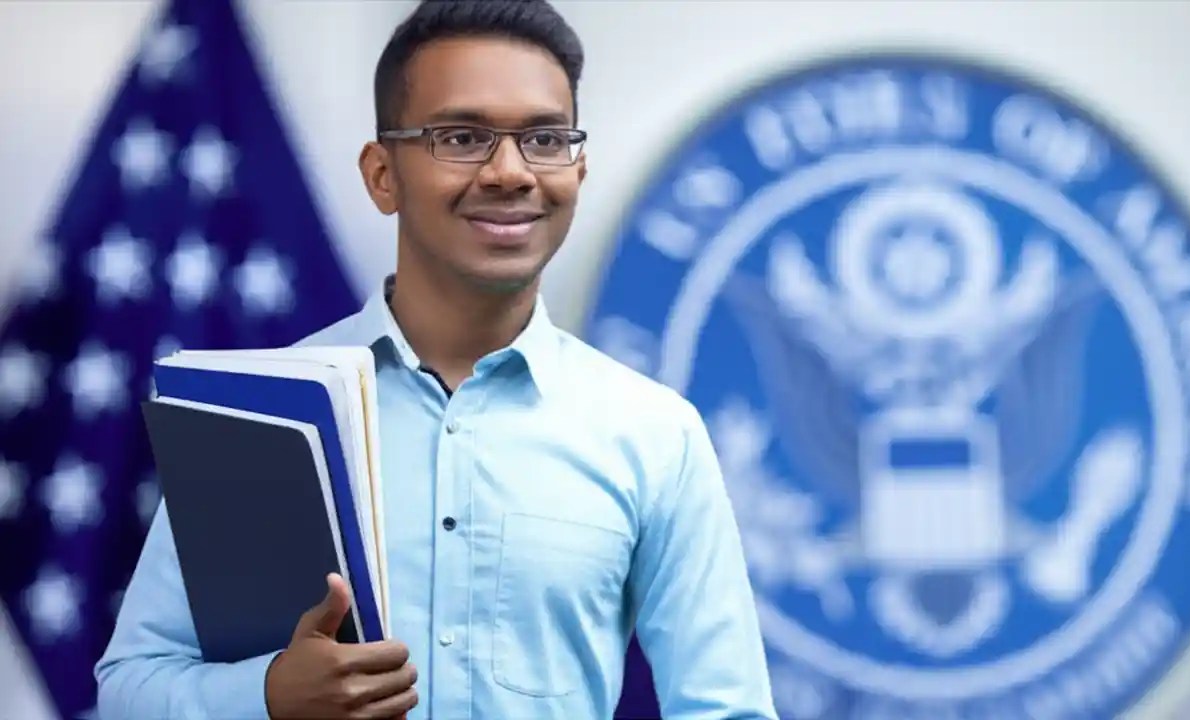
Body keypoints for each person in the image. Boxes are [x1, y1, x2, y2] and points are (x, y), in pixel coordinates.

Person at [95, 1, 778, 718]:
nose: (511, 172)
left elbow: (726, 709)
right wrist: (268, 696)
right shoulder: (258, 412)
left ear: (577, 169)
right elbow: (129, 688)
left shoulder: (654, 433)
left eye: (545, 138)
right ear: (382, 174)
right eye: (462, 136)